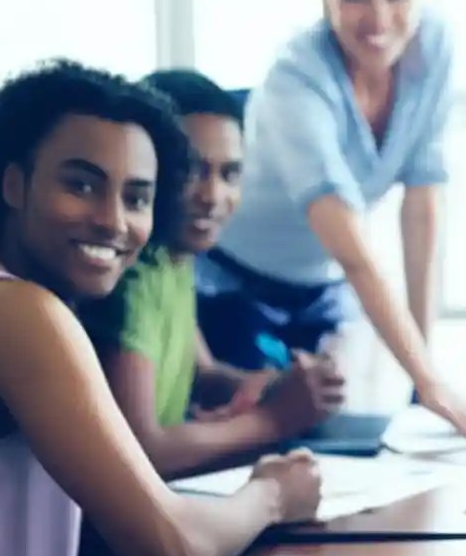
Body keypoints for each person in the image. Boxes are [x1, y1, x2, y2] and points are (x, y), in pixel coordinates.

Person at [0, 60, 322, 556]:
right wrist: (272, 494)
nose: (113, 221)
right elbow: (171, 548)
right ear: (13, 183)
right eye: (82, 185)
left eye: (137, 198)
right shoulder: (15, 312)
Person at [196, 0, 466, 442]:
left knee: (343, 428)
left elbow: (422, 206)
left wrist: (425, 371)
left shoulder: (433, 46)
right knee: (266, 427)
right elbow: (354, 250)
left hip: (321, 287)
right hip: (236, 283)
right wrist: (430, 381)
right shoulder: (294, 81)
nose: (379, 20)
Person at [79, 68, 344, 480]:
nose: (212, 196)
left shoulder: (177, 258)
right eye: (193, 171)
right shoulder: (132, 274)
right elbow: (142, 450)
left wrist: (288, 386)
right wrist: (276, 417)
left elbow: (205, 375)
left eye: (230, 173)